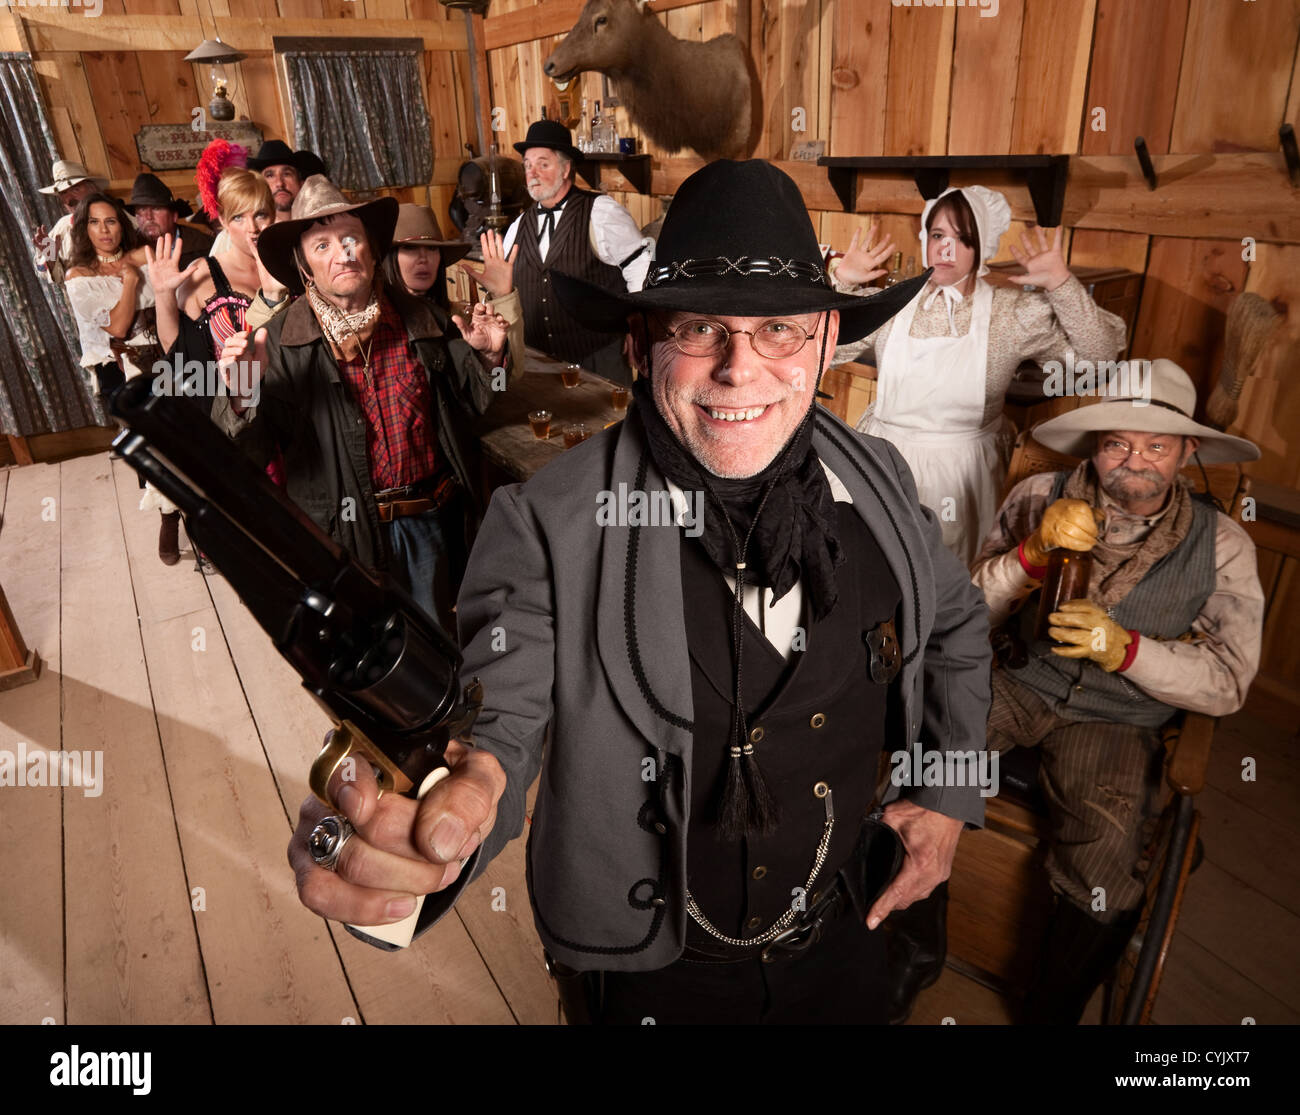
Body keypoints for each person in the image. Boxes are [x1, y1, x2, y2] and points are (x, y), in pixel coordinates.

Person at [285, 160, 992, 1025]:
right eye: (699, 327)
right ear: (637, 343)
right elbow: (497, 728)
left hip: (848, 944)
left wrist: (951, 792)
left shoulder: (876, 479)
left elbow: (957, 622)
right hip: (656, 977)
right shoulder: (545, 522)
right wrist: (433, 826)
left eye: (780, 329)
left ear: (827, 336)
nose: (741, 370)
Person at [963, 358, 1263, 1023]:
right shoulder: (1040, 494)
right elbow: (962, 614)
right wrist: (1030, 558)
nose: (1136, 460)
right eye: (1118, 442)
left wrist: (1126, 650)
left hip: (1118, 718)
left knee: (1105, 869)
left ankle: (1047, 1014)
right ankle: (913, 952)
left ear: (1188, 451)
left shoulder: (1225, 545)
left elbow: (1228, 680)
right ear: (1096, 446)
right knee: (914, 764)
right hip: (1015, 678)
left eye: (1156, 445)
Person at [210, 176, 511, 634]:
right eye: (323, 245)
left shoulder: (424, 320)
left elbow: (477, 402)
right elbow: (242, 456)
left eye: (352, 239)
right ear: (303, 265)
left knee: (438, 643)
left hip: (429, 521)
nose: (343, 253)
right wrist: (241, 392)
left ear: (372, 251)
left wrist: (490, 358)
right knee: (365, 655)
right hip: (340, 533)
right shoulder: (276, 343)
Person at [831, 186, 1127, 566]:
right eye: (938, 236)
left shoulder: (1011, 314)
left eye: (962, 239)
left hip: (964, 474)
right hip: (883, 461)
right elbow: (824, 352)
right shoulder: (894, 301)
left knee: (945, 578)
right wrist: (841, 282)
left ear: (982, 247)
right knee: (865, 566)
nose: (946, 250)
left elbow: (1098, 357)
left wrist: (1060, 283)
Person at [62, 192, 178, 565]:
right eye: (94, 222)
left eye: (110, 220)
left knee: (185, 435)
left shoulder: (143, 254)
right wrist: (129, 284)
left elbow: (173, 284)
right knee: (149, 446)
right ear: (83, 229)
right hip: (120, 369)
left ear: (121, 223)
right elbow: (118, 325)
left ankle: (192, 508)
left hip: (166, 355)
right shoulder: (79, 276)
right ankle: (168, 515)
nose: (104, 230)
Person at [502, 119, 653, 386]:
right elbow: (505, 288)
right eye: (527, 164)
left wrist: (638, 325)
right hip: (538, 362)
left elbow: (641, 269)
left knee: (608, 426)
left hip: (597, 358)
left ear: (565, 168)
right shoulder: (518, 226)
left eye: (542, 164)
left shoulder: (602, 212)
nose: (532, 173)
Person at [380, 203, 525, 382]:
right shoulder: (379, 326)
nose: (423, 258)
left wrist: (502, 297)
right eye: (410, 248)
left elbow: (501, 386)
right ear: (389, 258)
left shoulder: (458, 319)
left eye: (432, 248)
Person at [32, 159, 111, 285]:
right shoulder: (61, 227)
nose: (69, 200)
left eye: (75, 190)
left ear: (92, 189)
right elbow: (41, 270)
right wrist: (51, 259)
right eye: (63, 193)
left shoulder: (117, 218)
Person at [125, 172, 213, 266]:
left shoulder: (205, 246)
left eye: (156, 208)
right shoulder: (126, 247)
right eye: (142, 209)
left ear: (174, 216)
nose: (148, 217)